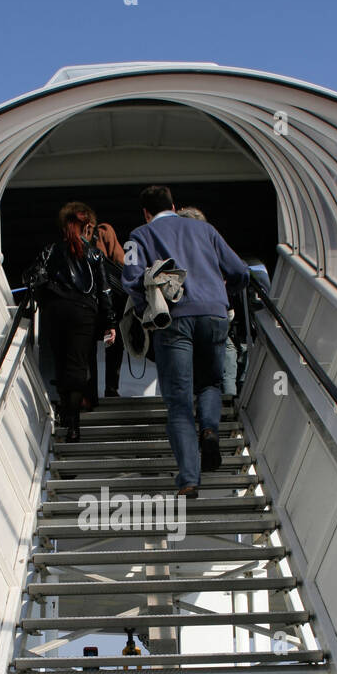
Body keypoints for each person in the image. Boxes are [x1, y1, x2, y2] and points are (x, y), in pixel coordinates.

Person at [122, 186, 249, 495]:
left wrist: (145, 310)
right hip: (215, 314)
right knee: (209, 383)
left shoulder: (137, 236)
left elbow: (130, 278)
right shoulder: (205, 229)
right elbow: (240, 272)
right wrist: (220, 297)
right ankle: (209, 430)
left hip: (174, 319)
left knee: (179, 402)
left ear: (145, 213)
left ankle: (189, 479)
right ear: (174, 205)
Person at [23, 203, 116, 441]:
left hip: (54, 310)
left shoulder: (50, 251)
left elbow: (30, 276)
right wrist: (110, 322)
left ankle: (65, 412)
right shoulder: (94, 254)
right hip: (83, 312)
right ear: (87, 227)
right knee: (77, 366)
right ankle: (74, 425)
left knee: (61, 363)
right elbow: (105, 291)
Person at [177, 206, 241, 401]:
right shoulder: (210, 243)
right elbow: (238, 270)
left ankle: (189, 404)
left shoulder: (175, 245)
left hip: (181, 312)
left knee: (186, 360)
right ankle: (228, 398)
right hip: (213, 310)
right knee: (225, 351)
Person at [93, 218, 126, 397]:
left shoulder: (77, 239)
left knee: (88, 346)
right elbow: (119, 261)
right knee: (114, 344)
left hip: (88, 302)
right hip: (108, 302)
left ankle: (89, 392)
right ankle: (111, 388)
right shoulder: (105, 230)